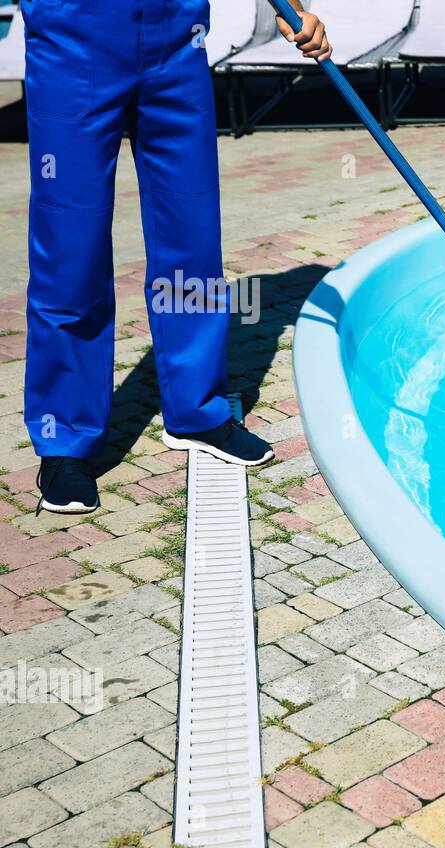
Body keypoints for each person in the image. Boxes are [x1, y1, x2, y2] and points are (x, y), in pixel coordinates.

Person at [22, 0, 331, 513]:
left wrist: (293, 8)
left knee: (192, 238)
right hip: (72, 38)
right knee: (69, 250)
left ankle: (198, 411)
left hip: (175, 38)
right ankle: (65, 440)